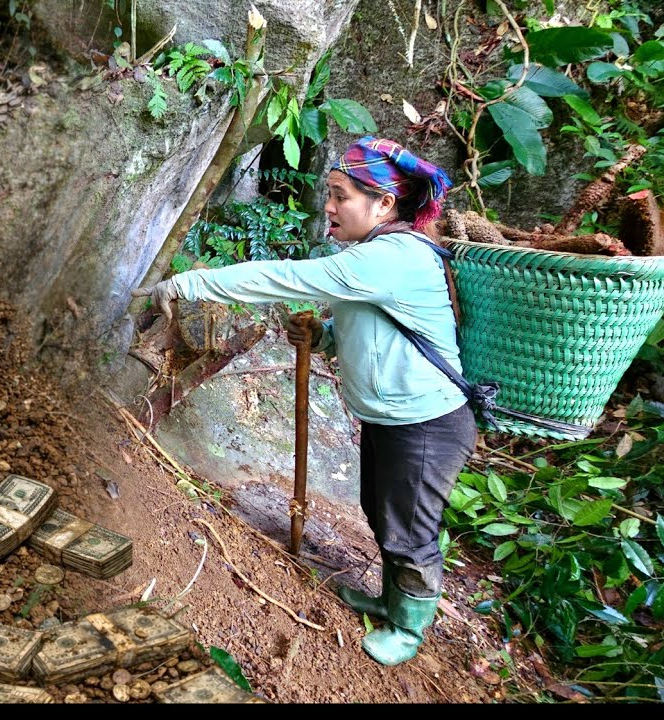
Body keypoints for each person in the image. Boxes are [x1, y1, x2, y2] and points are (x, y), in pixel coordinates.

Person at [132, 136, 476, 666]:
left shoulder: (394, 258)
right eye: (330, 194)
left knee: (409, 527)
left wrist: (196, 285)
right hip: (393, 416)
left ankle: (408, 630)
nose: (330, 207)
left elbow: (288, 277)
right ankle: (390, 601)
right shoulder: (372, 257)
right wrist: (328, 337)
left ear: (383, 203)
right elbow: (381, 327)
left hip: (427, 423)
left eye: (341, 195)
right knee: (381, 512)